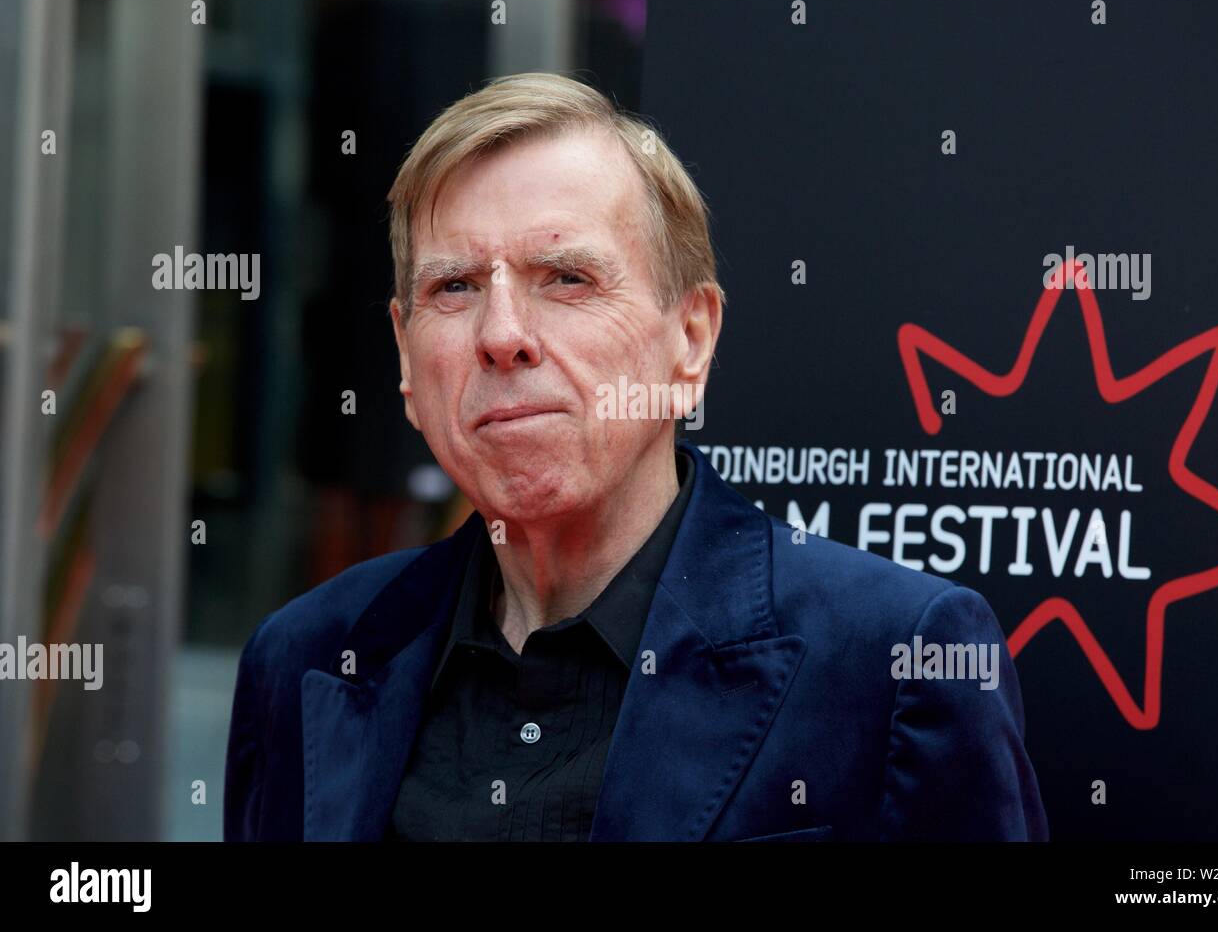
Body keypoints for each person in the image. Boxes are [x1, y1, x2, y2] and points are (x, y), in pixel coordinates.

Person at [223, 72, 1048, 841]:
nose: (503, 335)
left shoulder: (894, 662)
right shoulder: (303, 657)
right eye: (456, 287)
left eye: (568, 278)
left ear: (690, 340)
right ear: (405, 359)